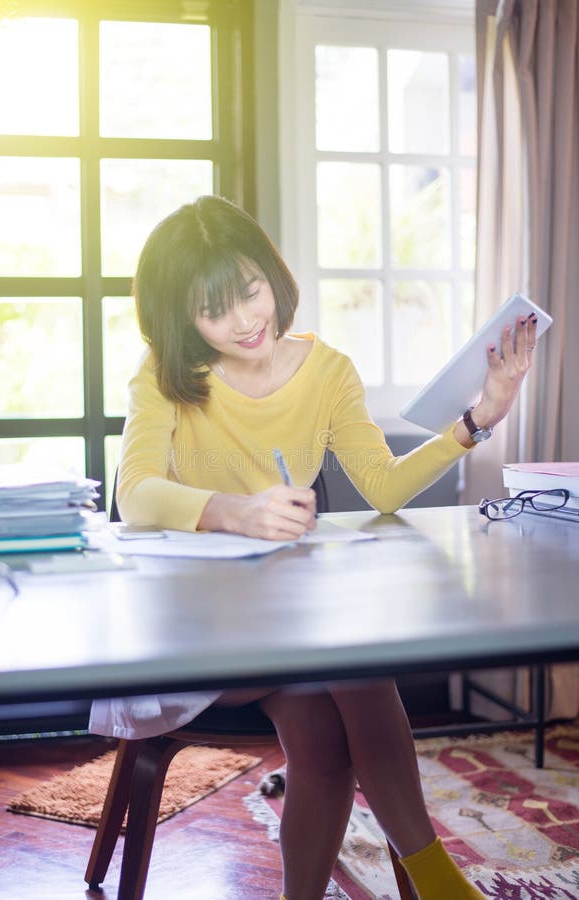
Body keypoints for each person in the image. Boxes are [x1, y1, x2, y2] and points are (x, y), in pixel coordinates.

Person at [90, 195, 539, 900]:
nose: (243, 320)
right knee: (352, 663)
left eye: (249, 290)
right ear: (181, 318)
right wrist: (233, 511)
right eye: (213, 310)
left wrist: (479, 417)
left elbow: (384, 487)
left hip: (288, 629)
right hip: (188, 636)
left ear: (272, 275)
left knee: (329, 733)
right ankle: (441, 886)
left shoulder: (325, 370)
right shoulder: (164, 377)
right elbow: (135, 492)